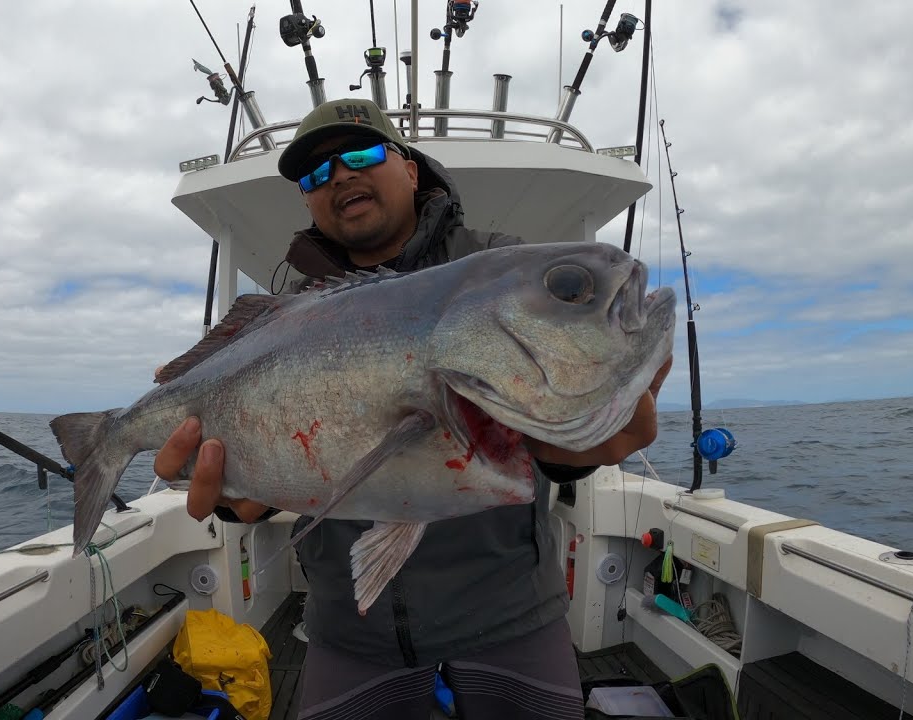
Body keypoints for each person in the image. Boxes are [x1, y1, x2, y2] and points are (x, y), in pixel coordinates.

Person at [155, 98, 672, 720]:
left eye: (362, 154)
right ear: (310, 202)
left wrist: (580, 447)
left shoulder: (494, 263)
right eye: (316, 174)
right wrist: (250, 491)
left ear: (410, 170)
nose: (340, 175)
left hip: (510, 614)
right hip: (349, 626)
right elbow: (286, 476)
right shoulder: (285, 316)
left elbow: (542, 442)